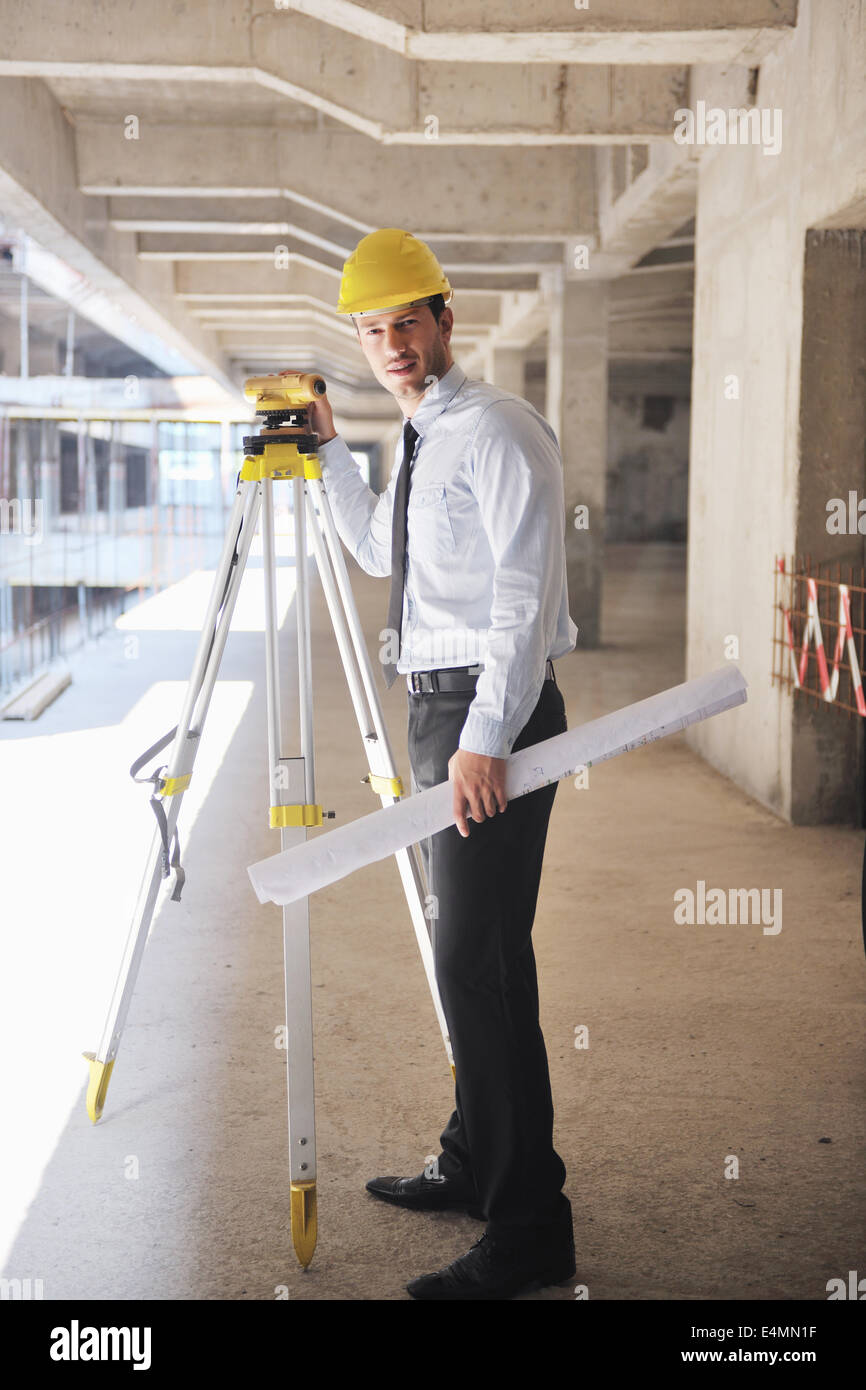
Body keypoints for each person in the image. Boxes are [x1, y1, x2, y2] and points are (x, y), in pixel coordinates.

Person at [308, 228, 578, 1300]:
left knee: (476, 960)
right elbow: (382, 551)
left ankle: (527, 1226)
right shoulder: (419, 436)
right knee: (467, 954)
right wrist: (331, 451)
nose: (391, 345)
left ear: (444, 318)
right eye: (372, 331)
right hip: (437, 710)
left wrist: (484, 738)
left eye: (405, 323)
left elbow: (521, 601)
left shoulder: (501, 431)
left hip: (487, 712)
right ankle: (475, 1160)